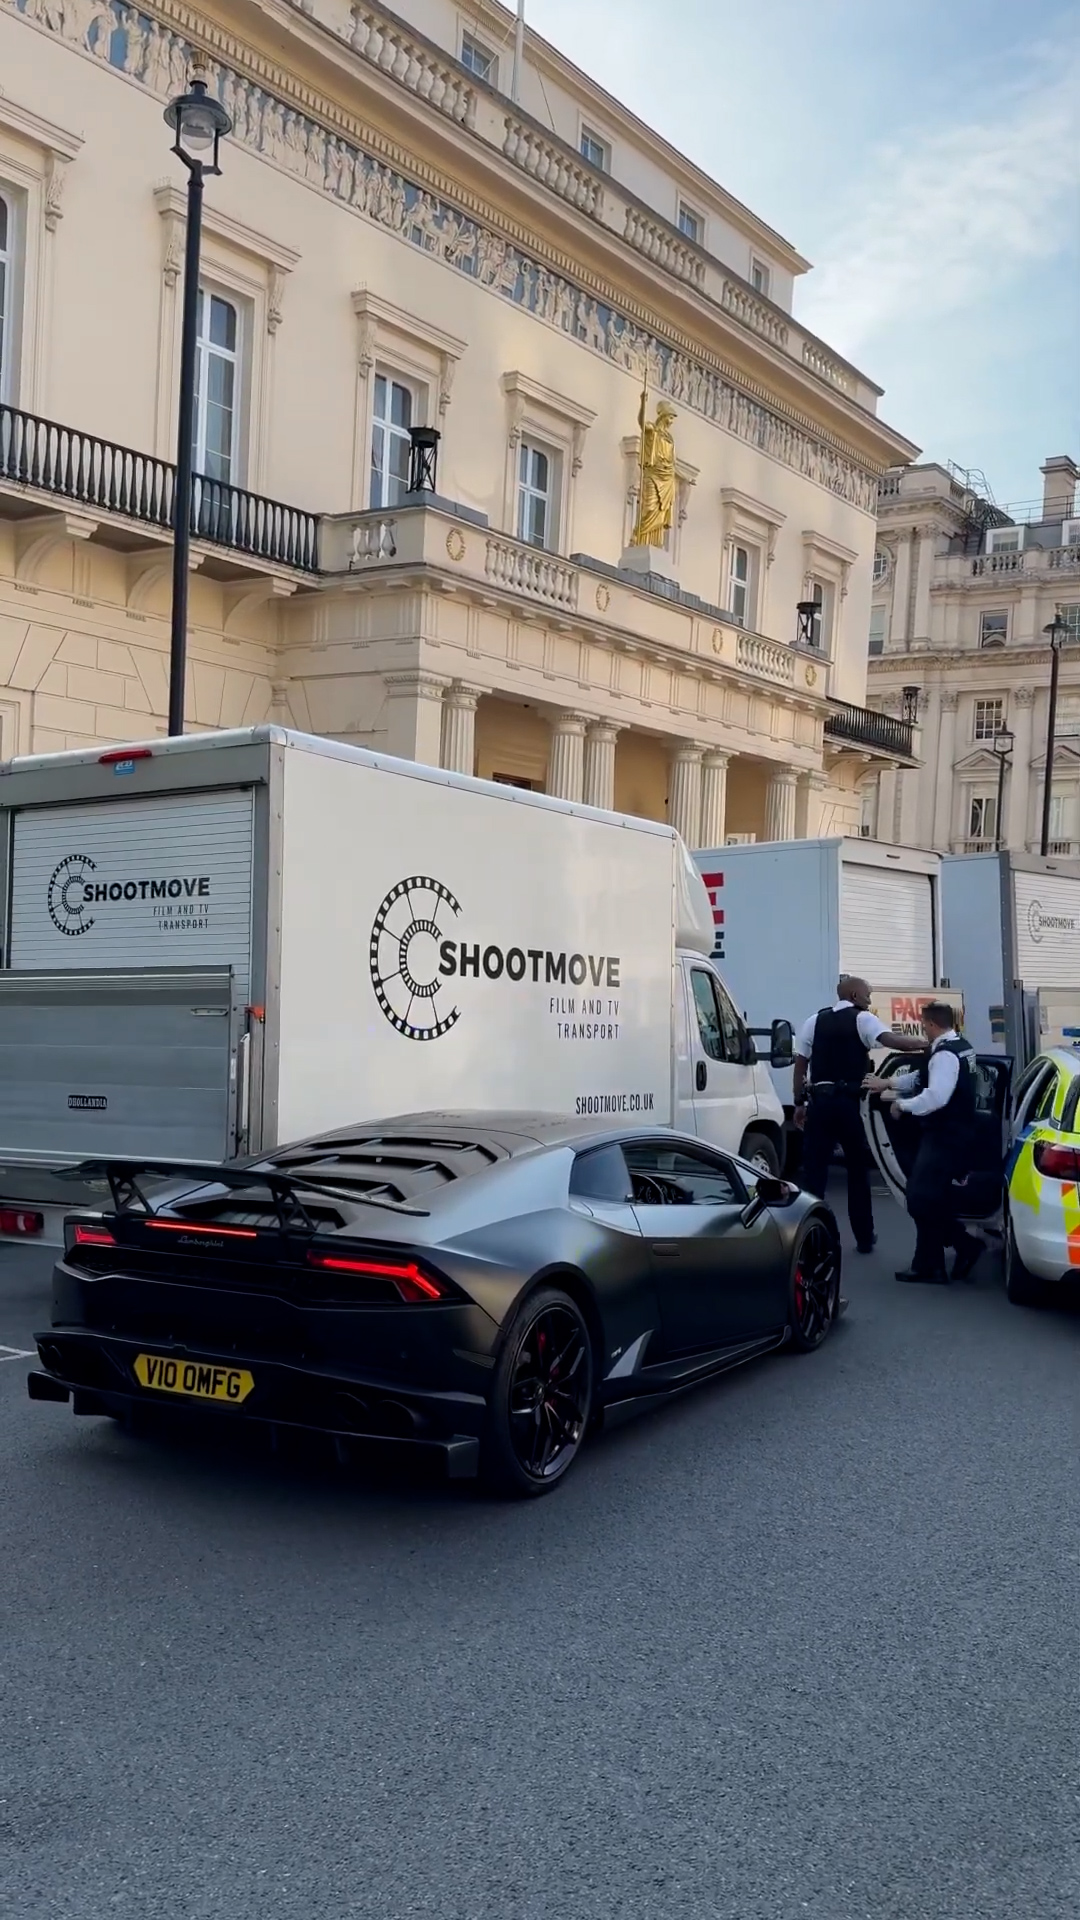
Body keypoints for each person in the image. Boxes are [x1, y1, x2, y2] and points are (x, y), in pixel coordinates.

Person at [794, 977, 926, 1253]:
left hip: (820, 1104)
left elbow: (800, 1065)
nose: (869, 999)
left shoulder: (814, 1021)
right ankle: (864, 1237)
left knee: (814, 1175)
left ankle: (808, 1238)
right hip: (848, 1105)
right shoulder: (862, 1019)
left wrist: (799, 1103)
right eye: (867, 994)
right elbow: (893, 1041)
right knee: (857, 1172)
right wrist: (927, 1044)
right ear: (854, 995)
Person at [870, 1002, 981, 1284]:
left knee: (919, 1199)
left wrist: (902, 1105)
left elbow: (936, 1096)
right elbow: (922, 1076)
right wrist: (889, 1083)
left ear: (931, 1024)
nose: (923, 1029)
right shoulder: (959, 1046)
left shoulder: (945, 1055)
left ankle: (963, 1246)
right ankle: (930, 1264)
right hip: (954, 1134)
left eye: (923, 1024)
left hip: (944, 1137)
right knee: (932, 1198)